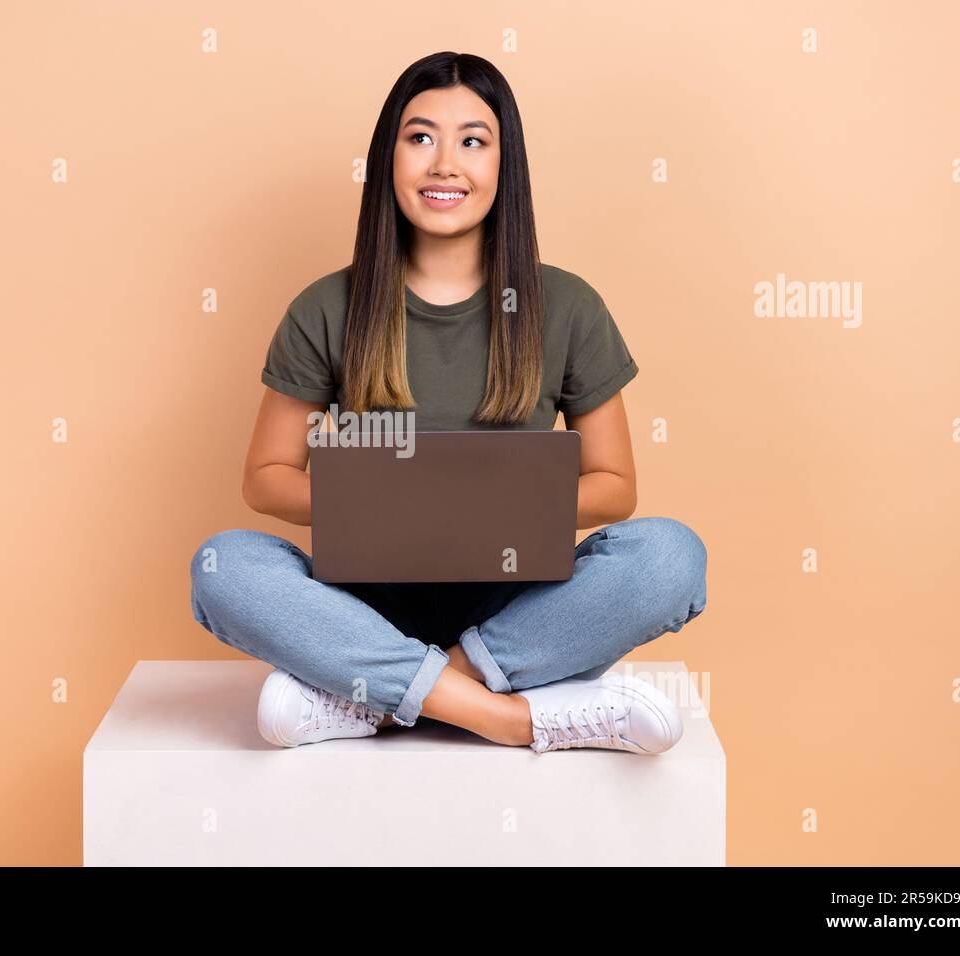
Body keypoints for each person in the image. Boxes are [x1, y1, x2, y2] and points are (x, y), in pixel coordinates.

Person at [190, 51, 707, 754]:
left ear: (504, 166)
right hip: (363, 608)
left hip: (518, 608)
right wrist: (386, 502)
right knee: (223, 566)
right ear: (389, 157)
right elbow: (265, 478)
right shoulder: (326, 307)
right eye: (420, 137)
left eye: (472, 140)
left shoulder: (568, 306)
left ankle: (374, 702)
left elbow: (615, 489)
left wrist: (476, 507)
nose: (444, 163)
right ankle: (511, 716)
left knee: (670, 556)